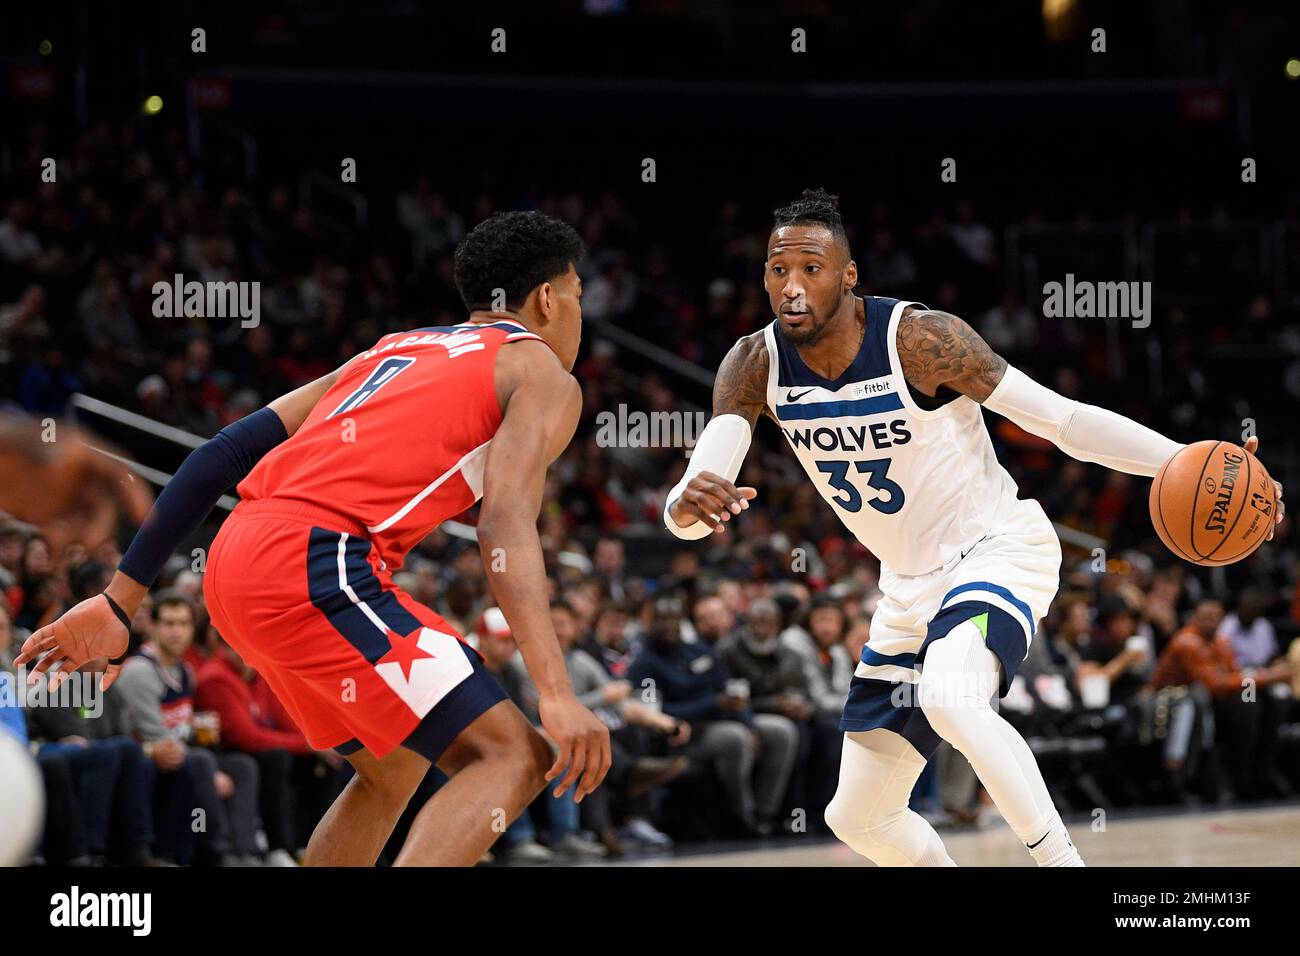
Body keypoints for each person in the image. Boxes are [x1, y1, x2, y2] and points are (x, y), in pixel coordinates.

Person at [663, 188, 1286, 867]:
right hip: (906, 589)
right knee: (858, 815)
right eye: (777, 269)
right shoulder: (753, 364)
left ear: (848, 276)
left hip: (995, 548)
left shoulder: (920, 341)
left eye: (811, 269)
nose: (791, 286)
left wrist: (1184, 460)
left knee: (952, 696)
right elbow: (696, 508)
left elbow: (1062, 422)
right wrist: (684, 511)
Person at [18, 211, 611, 867]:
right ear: (548, 299)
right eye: (580, 297)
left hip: (237, 561)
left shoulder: (391, 348)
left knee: (392, 768)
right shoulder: (543, 375)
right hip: (317, 562)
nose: (581, 318)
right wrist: (555, 694)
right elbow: (504, 522)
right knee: (514, 754)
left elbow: (223, 451)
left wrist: (119, 599)